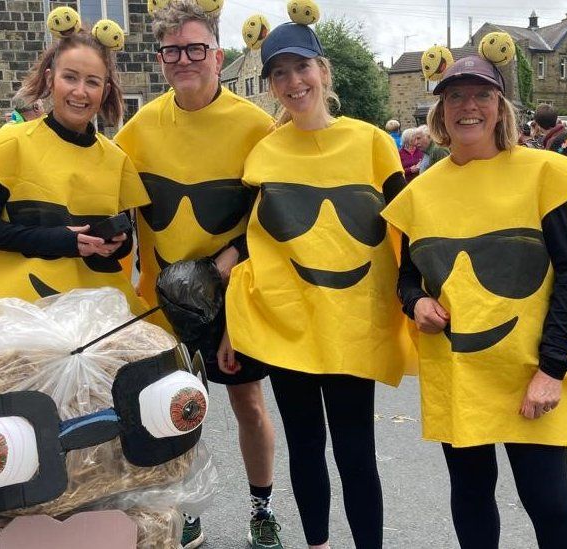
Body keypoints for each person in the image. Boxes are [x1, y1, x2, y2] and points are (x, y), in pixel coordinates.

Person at [381, 52, 567, 549]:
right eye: (455, 96)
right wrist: (415, 304)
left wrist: (552, 368)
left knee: (549, 500)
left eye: (481, 95)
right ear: (441, 111)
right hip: (458, 369)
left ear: (500, 107)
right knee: (471, 494)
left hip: (529, 369)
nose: (467, 106)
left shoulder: (544, 175)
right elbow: (407, 272)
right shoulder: (420, 192)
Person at [225, 21, 412, 549]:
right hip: (288, 326)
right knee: (305, 447)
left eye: (301, 67)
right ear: (270, 85)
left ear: (323, 71)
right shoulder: (264, 153)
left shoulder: (373, 144)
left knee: (357, 453)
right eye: (279, 73)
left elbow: (411, 233)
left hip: (355, 326)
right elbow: (247, 238)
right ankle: (317, 544)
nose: (293, 81)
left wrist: (420, 299)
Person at [112, 2, 281, 548]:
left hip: (233, 296)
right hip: (163, 304)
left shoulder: (256, 127)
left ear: (218, 54)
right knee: (169, 412)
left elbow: (274, 218)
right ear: (161, 60)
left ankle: (262, 508)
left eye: (195, 48)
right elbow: (107, 199)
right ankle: (184, 509)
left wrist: (225, 265)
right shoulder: (138, 130)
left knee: (247, 404)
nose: (184, 59)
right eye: (172, 51)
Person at [0, 14, 148, 334]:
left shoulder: (116, 159)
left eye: (92, 81)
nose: (80, 91)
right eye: (70, 77)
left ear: (105, 90)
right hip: (21, 315)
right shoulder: (10, 144)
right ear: (51, 79)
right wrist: (64, 240)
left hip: (96, 315)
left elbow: (124, 244)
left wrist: (116, 243)